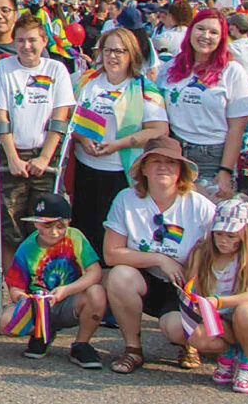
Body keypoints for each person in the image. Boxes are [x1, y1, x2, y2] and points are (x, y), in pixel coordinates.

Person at [0, 12, 76, 312]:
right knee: (8, 225)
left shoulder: (56, 69)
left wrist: (45, 156)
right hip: (13, 156)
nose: (26, 46)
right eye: (20, 40)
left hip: (45, 156)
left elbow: (61, 116)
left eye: (32, 40)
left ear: (44, 41)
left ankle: (43, 290)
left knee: (45, 226)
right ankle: (15, 293)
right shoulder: (4, 69)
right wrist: (11, 155)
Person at [102, 139, 218, 375]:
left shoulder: (200, 205)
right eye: (155, 161)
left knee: (175, 329)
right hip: (147, 280)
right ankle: (133, 349)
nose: (163, 167)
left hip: (187, 285)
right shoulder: (126, 199)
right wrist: (160, 259)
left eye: (170, 162)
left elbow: (223, 251)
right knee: (119, 276)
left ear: (181, 171)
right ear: (144, 168)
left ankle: (189, 345)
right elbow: (112, 254)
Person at [66, 26, 170, 253]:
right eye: (108, 50)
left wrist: (119, 144)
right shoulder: (84, 82)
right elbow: (66, 119)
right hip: (86, 171)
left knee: (117, 238)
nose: (113, 56)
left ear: (131, 54)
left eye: (120, 51)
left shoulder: (144, 87)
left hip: (123, 175)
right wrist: (82, 139)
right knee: (85, 235)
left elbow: (159, 130)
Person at [161, 198, 248, 393]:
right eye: (219, 234)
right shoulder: (202, 253)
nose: (223, 241)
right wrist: (194, 301)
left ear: (244, 233)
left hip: (238, 314)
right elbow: (192, 286)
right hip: (212, 316)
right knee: (184, 325)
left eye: (230, 236)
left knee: (246, 313)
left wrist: (219, 302)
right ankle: (228, 353)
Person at [1, 191, 106, 369]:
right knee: (7, 320)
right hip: (39, 305)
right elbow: (15, 286)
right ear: (36, 223)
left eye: (61, 225)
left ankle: (82, 344)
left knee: (96, 291)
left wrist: (67, 290)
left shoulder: (75, 237)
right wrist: (23, 300)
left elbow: (94, 272)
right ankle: (41, 334)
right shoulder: (26, 248)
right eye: (47, 225)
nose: (55, 232)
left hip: (69, 300)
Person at [157, 7, 248, 197]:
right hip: (174, 150)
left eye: (214, 32)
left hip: (213, 157)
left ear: (222, 38)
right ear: (191, 30)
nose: (206, 36)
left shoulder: (232, 71)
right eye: (201, 29)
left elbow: (237, 127)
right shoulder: (170, 68)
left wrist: (225, 171)